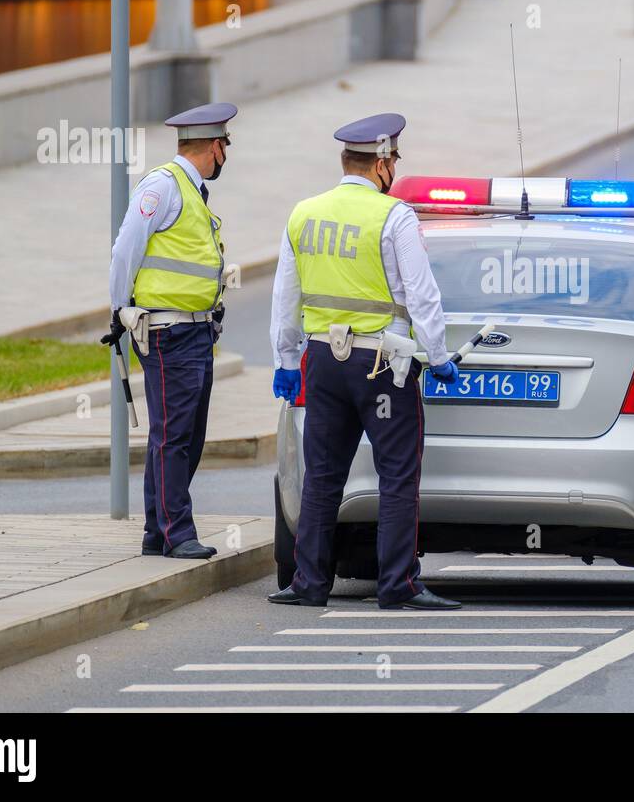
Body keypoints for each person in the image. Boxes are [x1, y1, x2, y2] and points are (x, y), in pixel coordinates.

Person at [267, 113, 462, 611]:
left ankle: (310, 584)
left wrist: (286, 360)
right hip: (382, 365)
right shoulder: (393, 216)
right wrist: (438, 356)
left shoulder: (303, 214)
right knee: (397, 475)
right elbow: (423, 297)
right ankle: (397, 584)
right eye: (392, 160)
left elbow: (285, 297)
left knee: (323, 475)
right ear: (381, 164)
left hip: (321, 362)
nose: (392, 169)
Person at [104, 102, 236, 560]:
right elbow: (126, 249)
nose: (225, 157)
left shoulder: (191, 192)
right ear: (215, 148)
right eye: (225, 148)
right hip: (167, 333)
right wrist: (119, 307)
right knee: (173, 436)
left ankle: (156, 531)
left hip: (196, 333)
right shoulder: (163, 186)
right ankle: (177, 531)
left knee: (182, 435)